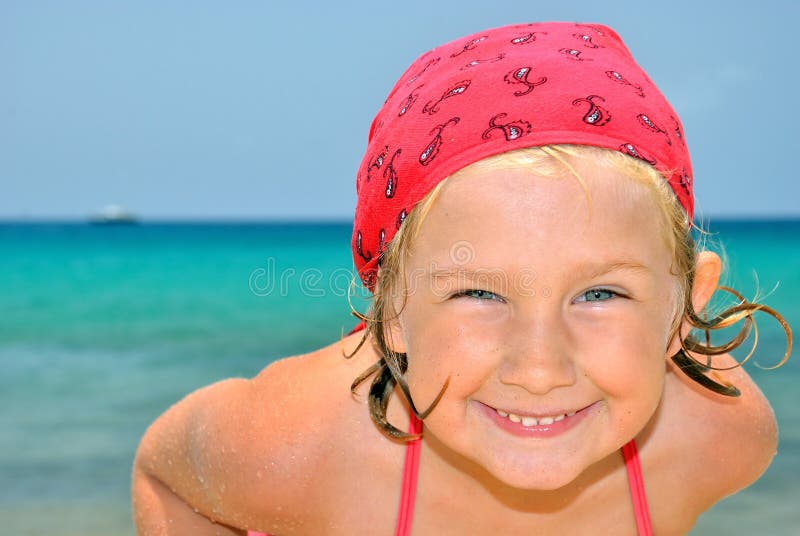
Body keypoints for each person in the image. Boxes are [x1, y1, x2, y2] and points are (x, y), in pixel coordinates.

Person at [132, 22, 791, 535]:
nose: (540, 368)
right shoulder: (306, 449)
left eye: (600, 293)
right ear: (392, 311)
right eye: (479, 292)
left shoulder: (717, 437)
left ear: (681, 313)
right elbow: (166, 472)